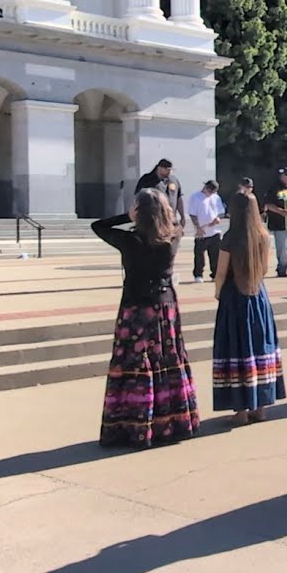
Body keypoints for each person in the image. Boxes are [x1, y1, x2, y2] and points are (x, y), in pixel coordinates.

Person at [91, 189, 200, 448]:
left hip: (136, 308)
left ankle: (134, 423)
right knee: (166, 357)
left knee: (135, 361)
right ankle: (172, 420)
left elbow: (98, 226)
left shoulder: (130, 240)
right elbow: (176, 224)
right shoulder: (172, 238)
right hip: (164, 307)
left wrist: (126, 216)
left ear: (138, 213)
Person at [211, 191, 286, 425]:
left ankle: (241, 410)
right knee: (260, 347)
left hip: (234, 297)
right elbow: (264, 269)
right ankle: (260, 407)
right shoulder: (263, 235)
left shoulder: (231, 237)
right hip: (258, 295)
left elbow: (221, 272)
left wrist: (218, 291)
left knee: (237, 348)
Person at [135, 158, 187, 254]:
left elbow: (179, 198)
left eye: (171, 170)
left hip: (171, 221)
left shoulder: (173, 180)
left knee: (170, 248)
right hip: (153, 222)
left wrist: (182, 216)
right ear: (159, 168)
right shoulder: (147, 180)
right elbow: (138, 199)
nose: (169, 172)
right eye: (167, 169)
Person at [185, 180, 224, 283]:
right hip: (201, 231)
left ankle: (215, 274)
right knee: (199, 255)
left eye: (213, 192)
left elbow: (221, 212)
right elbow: (192, 214)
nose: (211, 194)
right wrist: (198, 227)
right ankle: (198, 274)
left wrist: (218, 218)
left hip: (214, 231)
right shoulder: (195, 197)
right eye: (210, 191)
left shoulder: (216, 197)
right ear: (205, 187)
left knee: (215, 255)